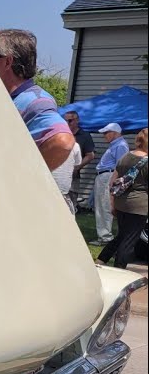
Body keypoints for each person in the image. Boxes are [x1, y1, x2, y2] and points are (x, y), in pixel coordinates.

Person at [0, 30, 75, 172]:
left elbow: (62, 142)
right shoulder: (7, 98)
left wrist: (21, 177)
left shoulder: (35, 102)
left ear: (7, 61)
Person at [97, 128, 147, 268]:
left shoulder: (125, 157)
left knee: (122, 235)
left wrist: (112, 203)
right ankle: (119, 269)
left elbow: (113, 182)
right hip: (138, 205)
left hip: (121, 203)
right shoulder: (146, 161)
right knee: (129, 240)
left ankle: (101, 260)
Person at [90, 123, 128, 246]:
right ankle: (104, 235)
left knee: (105, 206)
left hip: (108, 176)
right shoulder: (115, 145)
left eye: (106, 133)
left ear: (115, 133)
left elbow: (121, 166)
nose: (104, 136)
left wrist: (113, 181)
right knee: (101, 206)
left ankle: (105, 237)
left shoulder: (120, 146)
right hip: (104, 176)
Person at [66, 111, 97, 207]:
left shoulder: (85, 136)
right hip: (58, 171)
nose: (67, 123)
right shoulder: (62, 133)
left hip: (73, 175)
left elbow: (90, 155)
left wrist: (77, 167)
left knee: (70, 201)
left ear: (77, 120)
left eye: (70, 121)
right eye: (65, 121)